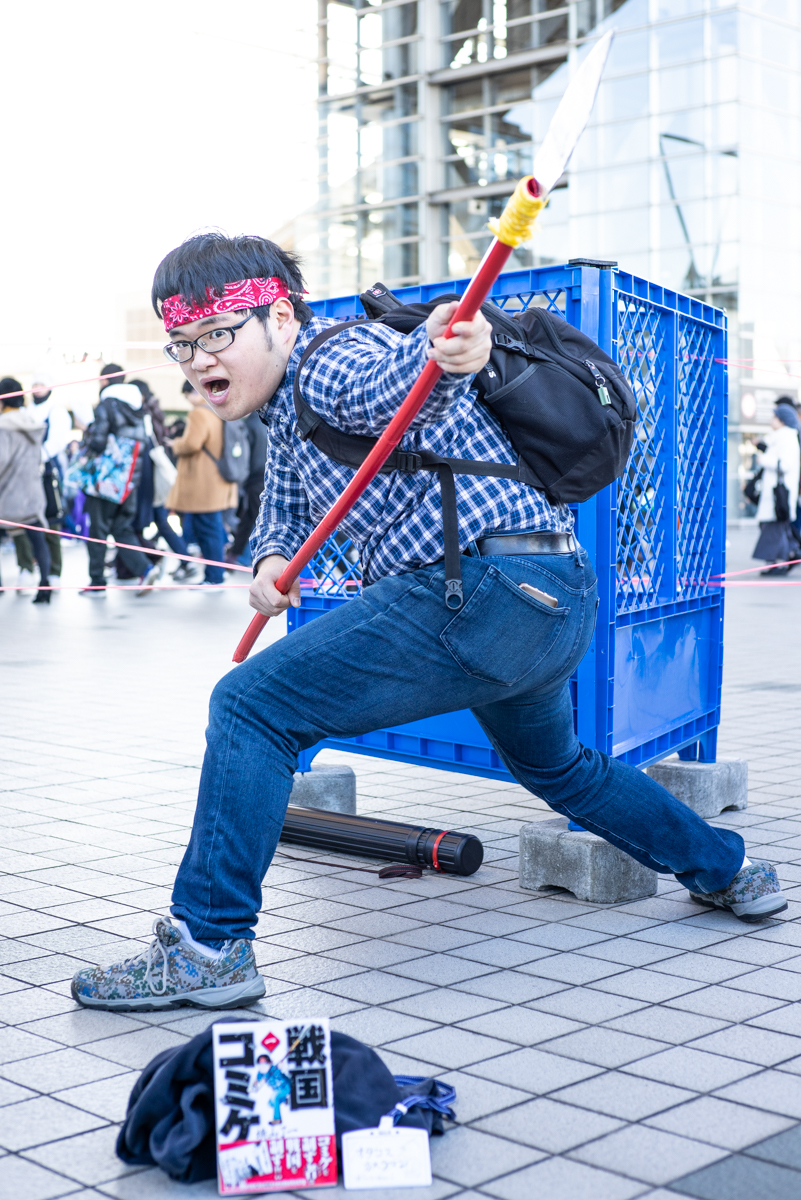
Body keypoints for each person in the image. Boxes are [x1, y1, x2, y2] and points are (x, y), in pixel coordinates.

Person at [72, 233, 786, 1014]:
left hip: (485, 591)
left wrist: (452, 338)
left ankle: (206, 948)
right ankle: (725, 869)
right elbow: (283, 503)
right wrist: (271, 559)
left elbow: (403, 374)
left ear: (280, 318)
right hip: (550, 595)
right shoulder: (289, 411)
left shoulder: (328, 360)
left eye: (216, 335)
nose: (197, 361)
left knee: (250, 706)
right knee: (559, 768)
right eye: (181, 344)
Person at [81, 366, 161, 595]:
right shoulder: (139, 407)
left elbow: (98, 442)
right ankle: (145, 569)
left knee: (97, 530)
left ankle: (96, 581)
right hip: (130, 480)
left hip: (106, 480)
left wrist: (87, 431)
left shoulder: (107, 404)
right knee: (122, 528)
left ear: (105, 381)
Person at [164, 379, 237, 585]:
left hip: (202, 482)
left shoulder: (199, 413)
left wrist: (176, 444)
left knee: (208, 530)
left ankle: (214, 578)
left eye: (187, 395)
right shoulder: (217, 411)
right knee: (212, 529)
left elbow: (193, 443)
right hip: (216, 480)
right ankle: (215, 575)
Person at [13, 370, 74, 585]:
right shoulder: (26, 410)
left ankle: (53, 573)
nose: (38, 388)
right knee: (20, 521)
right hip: (23, 472)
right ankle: (25, 567)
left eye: (42, 384)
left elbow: (57, 442)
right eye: (35, 384)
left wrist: (36, 457)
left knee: (51, 521)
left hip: (47, 471)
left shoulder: (56, 411)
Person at [0, 377, 51, 604]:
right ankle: (45, 584)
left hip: (8, 495)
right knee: (38, 539)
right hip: (32, 492)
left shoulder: (3, 425)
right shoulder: (33, 421)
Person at [752, 399, 801, 576]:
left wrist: (763, 460)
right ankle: (784, 558)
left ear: (782, 419)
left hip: (779, 494)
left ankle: (784, 559)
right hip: (776, 494)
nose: (771, 419)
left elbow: (785, 464)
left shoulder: (787, 437)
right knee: (777, 529)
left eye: (774, 416)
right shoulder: (781, 437)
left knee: (776, 529)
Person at [227, 409, 268, 565]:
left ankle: (242, 555)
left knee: (256, 517)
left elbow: (245, 456)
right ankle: (236, 553)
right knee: (251, 516)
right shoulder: (264, 423)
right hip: (264, 474)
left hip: (255, 476)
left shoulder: (249, 425)